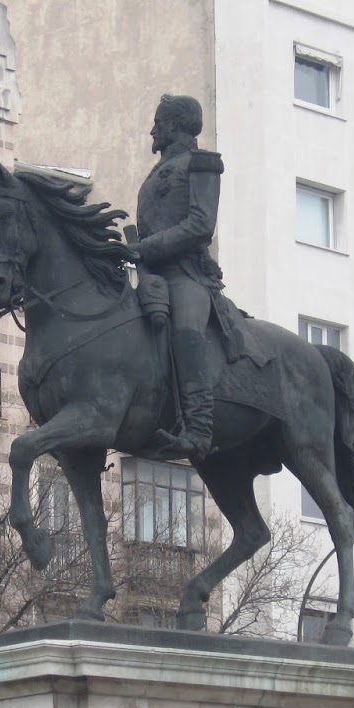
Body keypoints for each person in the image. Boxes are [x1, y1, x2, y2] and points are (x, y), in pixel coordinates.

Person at [128, 94, 228, 462]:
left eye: (158, 122)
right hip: (154, 276)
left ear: (173, 125)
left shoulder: (201, 165)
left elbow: (201, 226)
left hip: (187, 275)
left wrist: (146, 249)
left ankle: (199, 429)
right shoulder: (156, 173)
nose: (153, 129)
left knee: (186, 331)